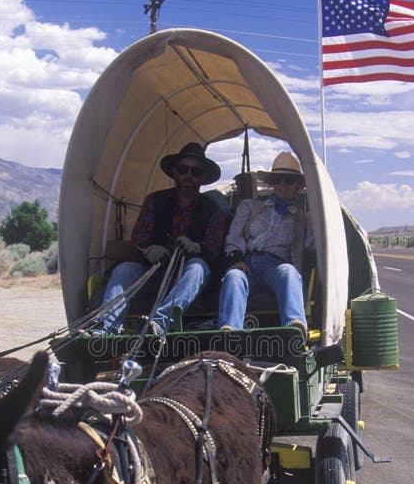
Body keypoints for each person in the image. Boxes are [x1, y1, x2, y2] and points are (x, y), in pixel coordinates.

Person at [92, 142, 224, 335]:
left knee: (197, 267)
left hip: (187, 279)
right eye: (183, 169)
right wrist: (150, 249)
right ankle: (104, 330)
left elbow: (214, 248)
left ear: (202, 178)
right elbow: (139, 237)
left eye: (195, 172)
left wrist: (196, 247)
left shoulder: (213, 209)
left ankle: (158, 325)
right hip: (153, 272)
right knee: (124, 270)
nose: (189, 175)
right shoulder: (154, 201)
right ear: (174, 173)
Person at [217, 152, 314, 338]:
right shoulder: (250, 206)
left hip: (275, 267)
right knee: (234, 277)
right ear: (272, 183)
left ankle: (293, 328)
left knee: (289, 272)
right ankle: (230, 333)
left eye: (289, 180)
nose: (283, 185)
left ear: (298, 186)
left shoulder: (302, 218)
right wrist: (236, 258)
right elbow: (234, 237)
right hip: (248, 264)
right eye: (278, 179)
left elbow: (311, 244)